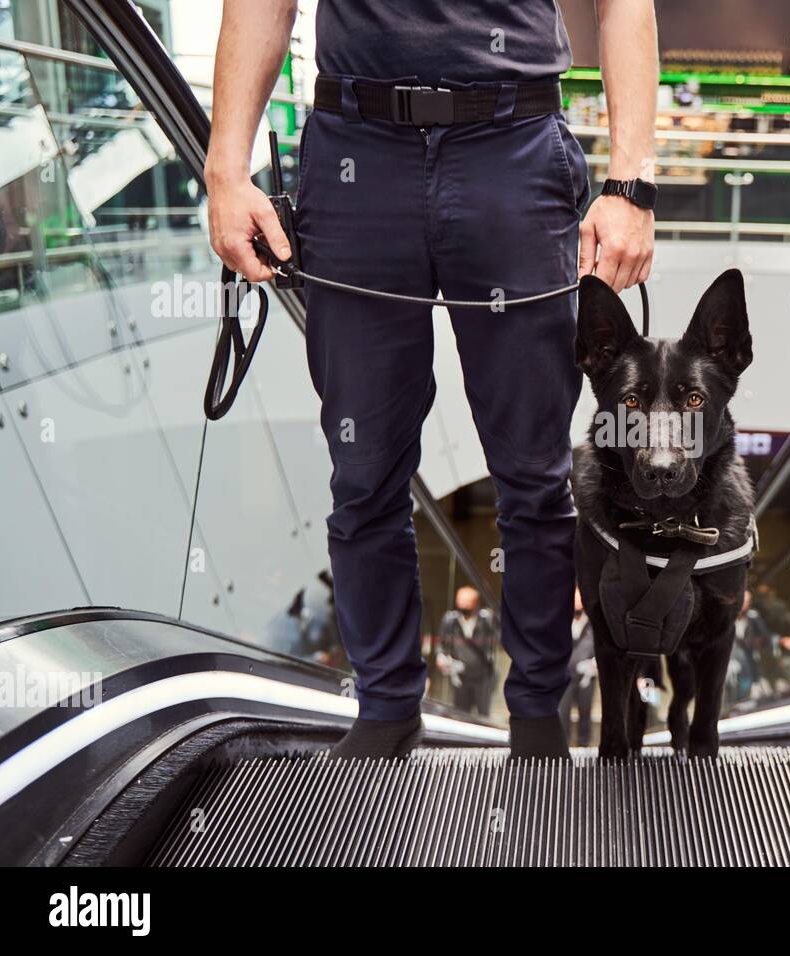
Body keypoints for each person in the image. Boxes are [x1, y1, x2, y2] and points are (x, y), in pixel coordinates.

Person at [205, 0, 660, 760]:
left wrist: (633, 183)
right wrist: (225, 171)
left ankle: (537, 715)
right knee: (363, 473)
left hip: (512, 147)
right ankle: (385, 708)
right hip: (355, 154)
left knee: (533, 475)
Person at [436, 587, 498, 716]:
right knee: (460, 714)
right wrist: (441, 656)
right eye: (460, 601)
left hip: (483, 676)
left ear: (476, 603)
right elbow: (441, 643)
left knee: (483, 715)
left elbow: (496, 641)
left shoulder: (486, 620)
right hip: (460, 675)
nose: (463, 605)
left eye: (467, 601)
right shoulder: (450, 621)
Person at [558, 589, 597, 746]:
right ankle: (563, 748)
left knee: (585, 713)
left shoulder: (593, 623)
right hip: (564, 677)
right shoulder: (560, 620)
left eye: (580, 599)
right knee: (562, 713)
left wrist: (594, 664)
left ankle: (584, 746)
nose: (577, 602)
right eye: (574, 599)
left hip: (587, 677)